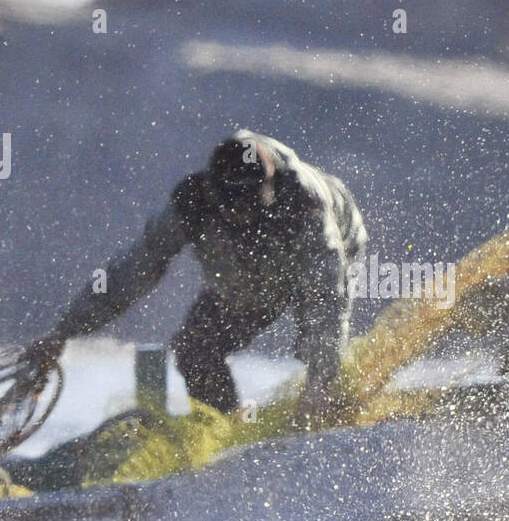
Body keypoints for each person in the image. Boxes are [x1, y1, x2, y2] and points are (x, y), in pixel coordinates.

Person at [24, 130, 368, 423]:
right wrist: (65, 329)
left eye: (248, 206)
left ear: (268, 193)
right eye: (230, 206)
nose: (239, 215)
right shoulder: (192, 201)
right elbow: (132, 268)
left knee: (320, 346)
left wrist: (319, 385)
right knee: (194, 349)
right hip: (245, 275)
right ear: (213, 192)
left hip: (322, 254)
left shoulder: (304, 202)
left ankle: (326, 399)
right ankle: (228, 429)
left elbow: (327, 298)